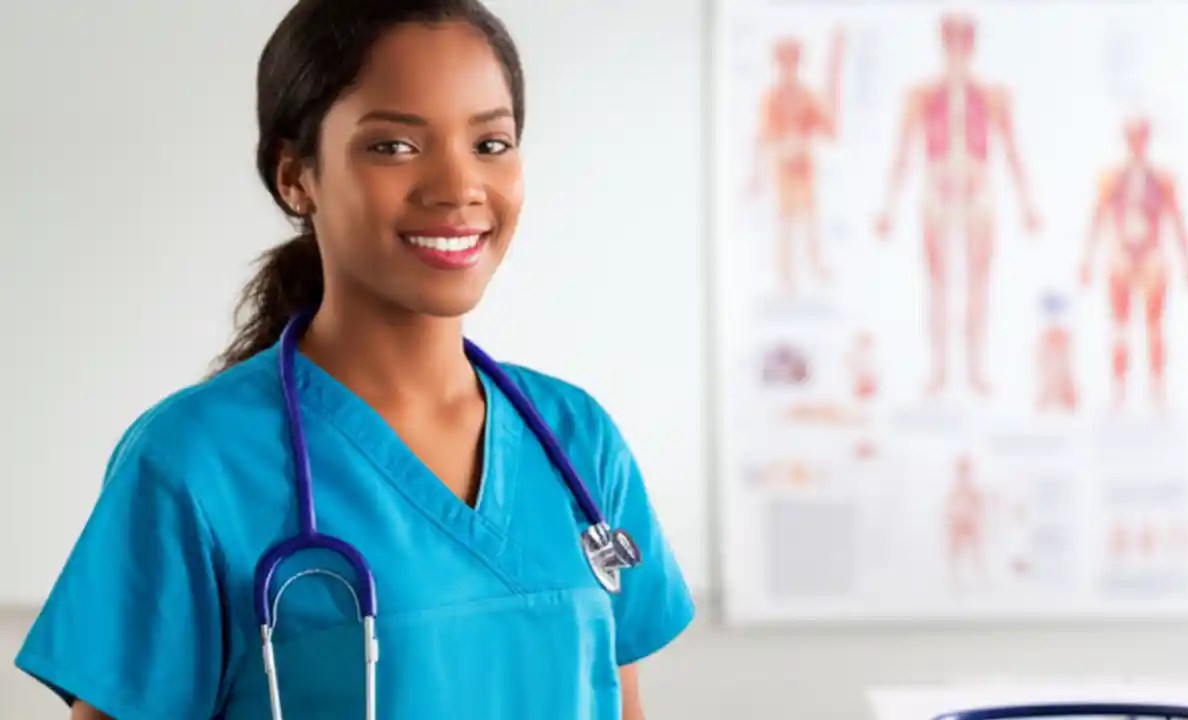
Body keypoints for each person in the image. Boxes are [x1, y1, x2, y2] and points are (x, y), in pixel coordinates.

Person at [13, 1, 695, 718]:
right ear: (294, 176)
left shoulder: (577, 441)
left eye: (490, 144)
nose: (457, 186)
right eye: (393, 147)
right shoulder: (193, 464)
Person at [875, 12, 1039, 397]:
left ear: (972, 47)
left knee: (978, 283)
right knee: (938, 283)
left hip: (978, 189)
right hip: (937, 189)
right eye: (951, 44)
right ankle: (940, 369)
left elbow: (1012, 152)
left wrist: (1026, 204)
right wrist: (889, 207)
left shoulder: (992, 95)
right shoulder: (921, 95)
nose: (957, 52)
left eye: (963, 44)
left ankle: (976, 369)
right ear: (942, 45)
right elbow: (902, 152)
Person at [1080, 116, 1188, 412]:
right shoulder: (1111, 179)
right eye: (1132, 136)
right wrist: (1088, 259)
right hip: (1121, 255)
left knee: (1154, 325)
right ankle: (1119, 389)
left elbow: (1177, 221)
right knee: (1120, 326)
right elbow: (1097, 218)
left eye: (1141, 136)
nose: (1137, 142)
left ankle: (1157, 389)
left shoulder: (1162, 179)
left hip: (1151, 256)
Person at [747, 30, 845, 295]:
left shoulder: (808, 95)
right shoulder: (771, 98)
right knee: (786, 221)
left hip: (805, 166)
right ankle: (786, 273)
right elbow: (763, 136)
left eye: (793, 61)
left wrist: (835, 67)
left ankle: (816, 265)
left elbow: (827, 127)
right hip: (783, 167)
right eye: (784, 62)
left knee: (811, 218)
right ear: (778, 64)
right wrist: (756, 174)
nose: (789, 68)